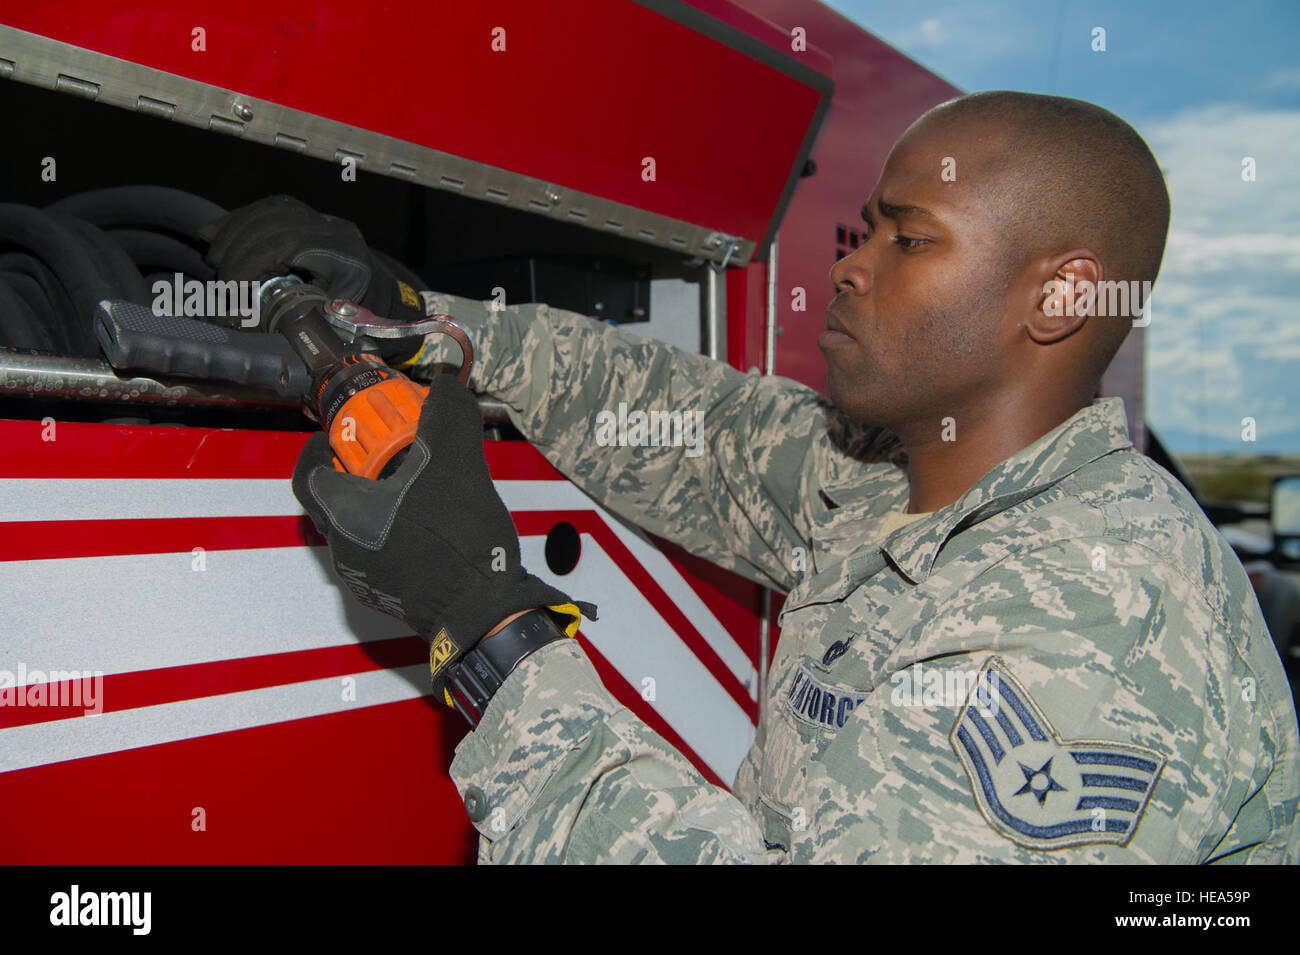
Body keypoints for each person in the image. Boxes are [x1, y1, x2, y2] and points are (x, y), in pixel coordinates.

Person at [206, 90, 1300, 863]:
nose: (851, 264)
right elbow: (692, 424)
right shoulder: (889, 475)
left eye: (908, 241)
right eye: (862, 228)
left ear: (1060, 298)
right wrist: (422, 324)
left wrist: (486, 623)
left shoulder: (1099, 610)